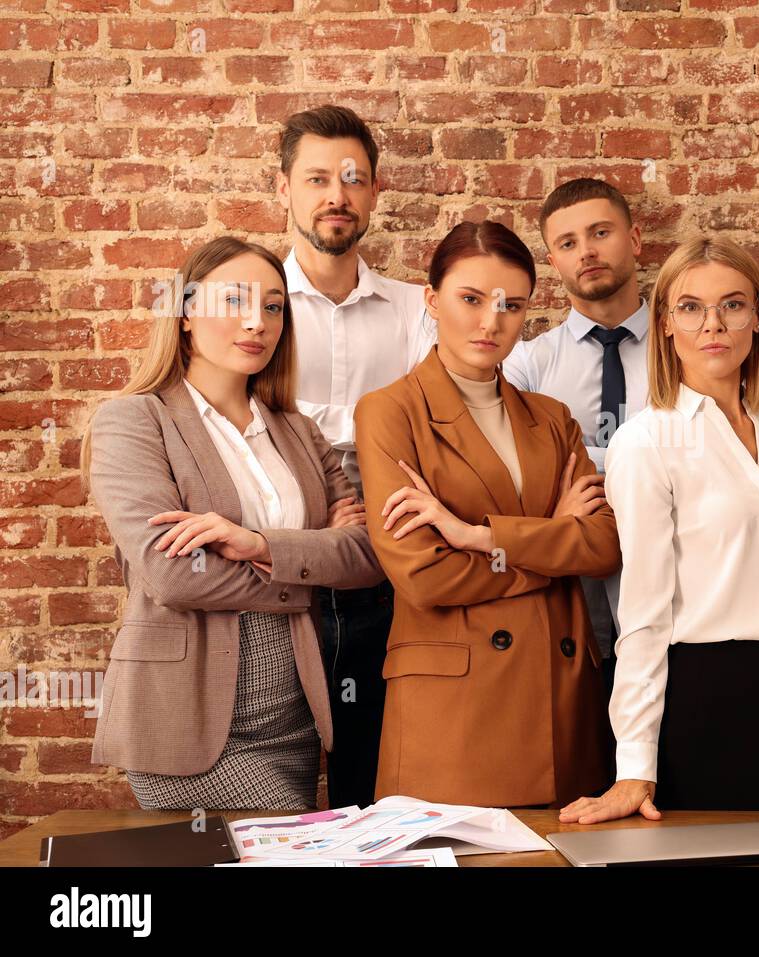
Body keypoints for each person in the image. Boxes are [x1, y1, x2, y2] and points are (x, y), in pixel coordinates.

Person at [560, 236, 759, 824]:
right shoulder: (645, 442)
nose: (713, 324)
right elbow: (642, 613)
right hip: (701, 697)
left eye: (732, 304)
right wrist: (634, 766)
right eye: (691, 307)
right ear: (665, 324)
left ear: (758, 317)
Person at [83, 236, 385, 810]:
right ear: (186, 313)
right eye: (234, 300)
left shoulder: (299, 431)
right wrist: (310, 563)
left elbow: (367, 556)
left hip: (293, 720)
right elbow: (173, 576)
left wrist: (256, 544)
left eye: (273, 306)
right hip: (188, 725)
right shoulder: (134, 421)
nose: (257, 322)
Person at [353, 220, 620, 808]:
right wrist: (554, 542)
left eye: (511, 305)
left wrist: (475, 536)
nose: (491, 322)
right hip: (457, 706)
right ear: (432, 300)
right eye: (471, 299)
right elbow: (425, 575)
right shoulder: (390, 412)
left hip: (560, 692)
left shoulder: (552, 417)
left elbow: (604, 546)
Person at [274, 104, 435, 808]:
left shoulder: (415, 310)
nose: (335, 195)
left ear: (374, 191)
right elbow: (239, 419)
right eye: (316, 178)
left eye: (352, 179)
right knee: (267, 784)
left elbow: (430, 426)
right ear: (283, 188)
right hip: (273, 570)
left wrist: (297, 415)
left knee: (370, 785)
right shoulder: (255, 305)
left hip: (383, 570)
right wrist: (374, 424)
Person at [502, 177, 648, 708]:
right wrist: (644, 458)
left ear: (634, 239)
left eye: (600, 233)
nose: (586, 251)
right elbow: (513, 470)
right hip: (567, 607)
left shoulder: (686, 350)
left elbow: (700, 455)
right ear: (553, 261)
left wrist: (577, 461)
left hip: (670, 601)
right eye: (568, 243)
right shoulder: (527, 364)